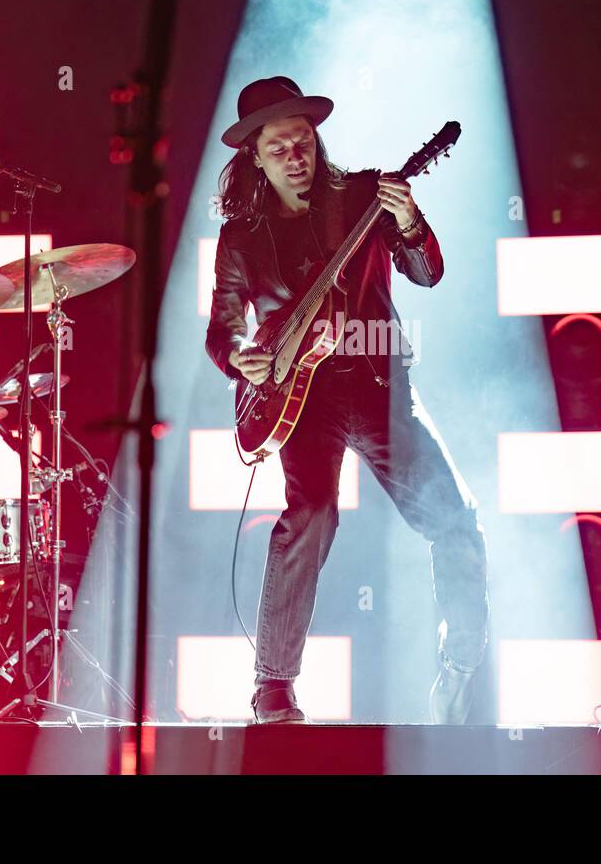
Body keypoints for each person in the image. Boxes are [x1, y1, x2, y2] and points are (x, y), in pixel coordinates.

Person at [205, 76, 490, 723]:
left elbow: (427, 273)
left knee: (457, 522)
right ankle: (273, 687)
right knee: (312, 513)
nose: (295, 156)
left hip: (382, 389)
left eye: (303, 141)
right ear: (254, 155)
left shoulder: (364, 195)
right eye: (278, 148)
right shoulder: (242, 237)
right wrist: (240, 358)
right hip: (301, 399)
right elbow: (221, 329)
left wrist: (411, 221)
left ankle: (463, 670)